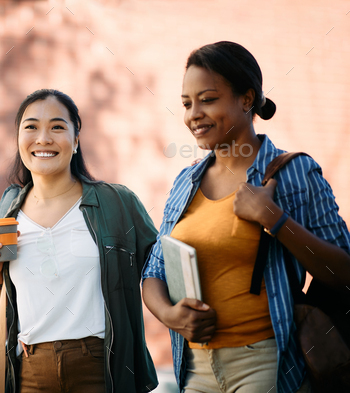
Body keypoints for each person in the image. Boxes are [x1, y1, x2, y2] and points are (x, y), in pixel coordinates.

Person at [142, 41, 350, 393]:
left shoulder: (293, 172)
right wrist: (169, 314)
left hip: (266, 364)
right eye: (187, 103)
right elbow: (153, 271)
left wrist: (274, 219)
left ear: (246, 99)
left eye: (207, 99)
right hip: (196, 370)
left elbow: (342, 272)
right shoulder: (185, 182)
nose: (193, 113)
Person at [0, 89, 158, 393]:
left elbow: (161, 267)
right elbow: (8, 305)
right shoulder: (8, 208)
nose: (43, 138)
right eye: (31, 126)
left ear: (76, 140)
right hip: (29, 373)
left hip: (103, 370)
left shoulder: (117, 202)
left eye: (58, 127)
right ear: (18, 138)